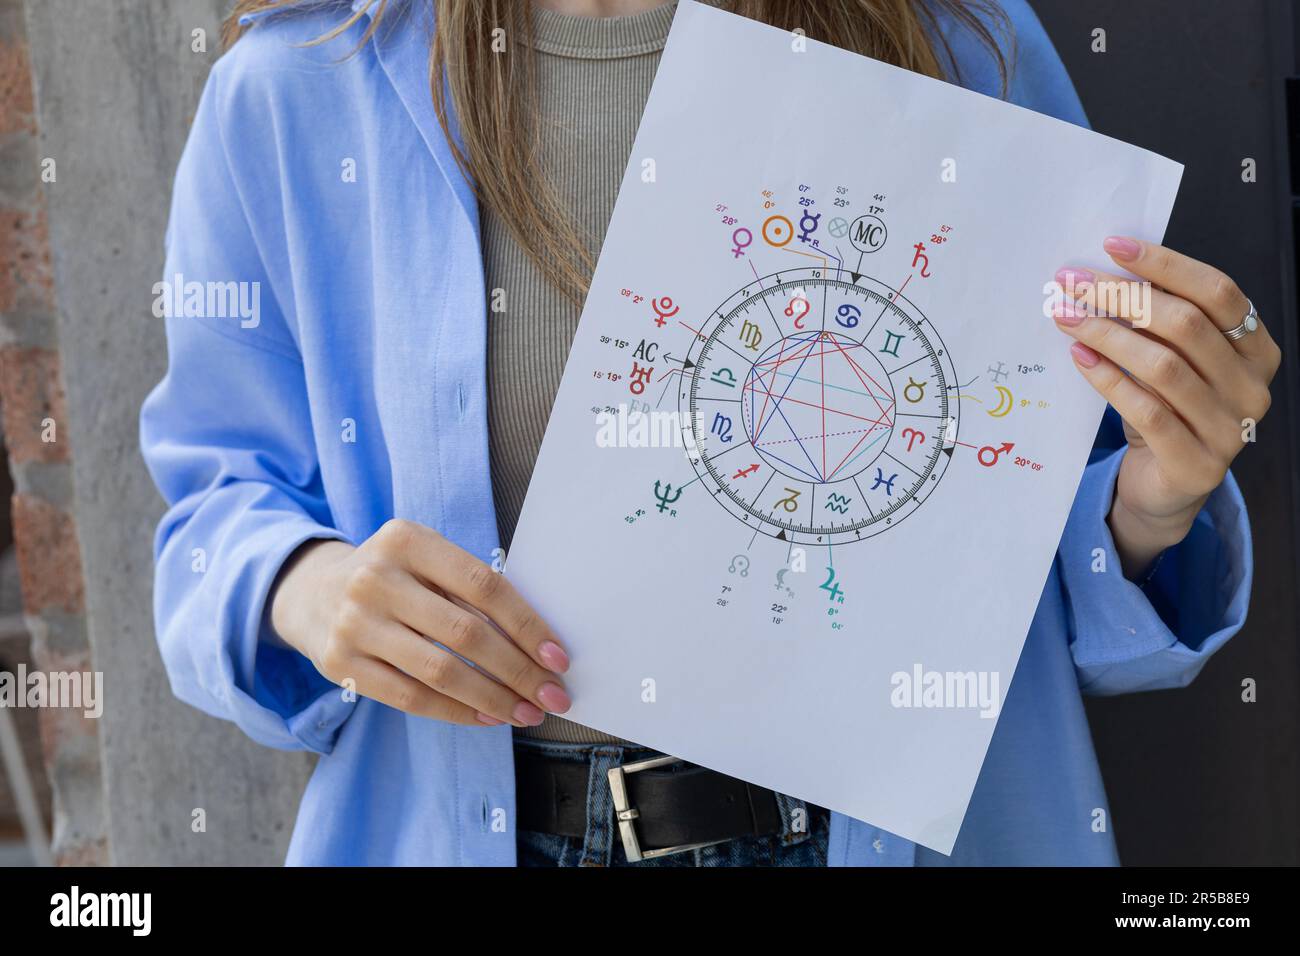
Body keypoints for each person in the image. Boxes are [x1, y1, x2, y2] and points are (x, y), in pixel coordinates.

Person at [139, 0, 1278, 866]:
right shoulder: (295, 87)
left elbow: (1031, 537)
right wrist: (307, 585)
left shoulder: (954, 40)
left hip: (885, 830)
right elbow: (208, 513)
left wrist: (1154, 497)